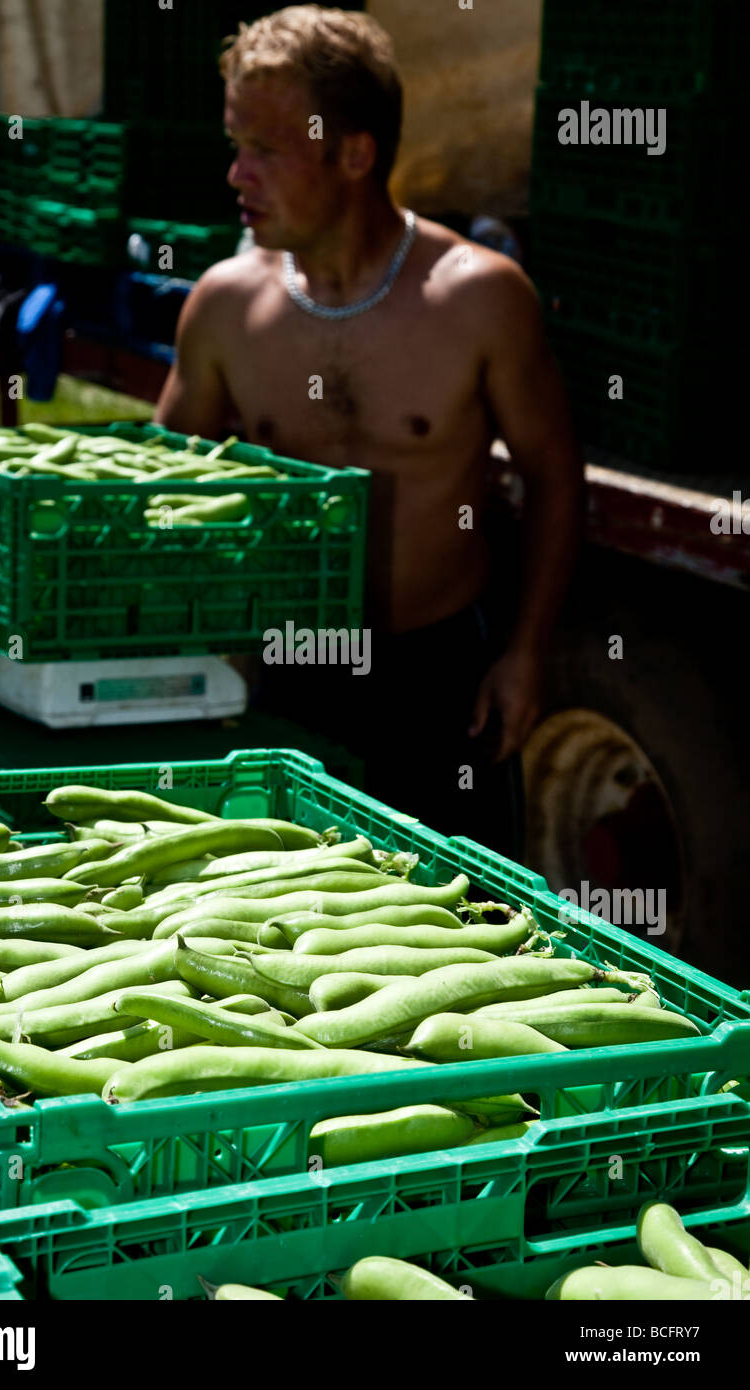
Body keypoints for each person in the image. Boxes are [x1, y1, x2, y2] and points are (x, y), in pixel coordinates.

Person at [154, 5, 583, 859]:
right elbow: (157, 488)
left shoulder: (476, 298)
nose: (238, 175)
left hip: (437, 677)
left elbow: (555, 476)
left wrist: (526, 653)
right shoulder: (227, 306)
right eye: (237, 145)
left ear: (354, 154)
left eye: (266, 152)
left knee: (453, 923)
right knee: (288, 918)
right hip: (287, 674)